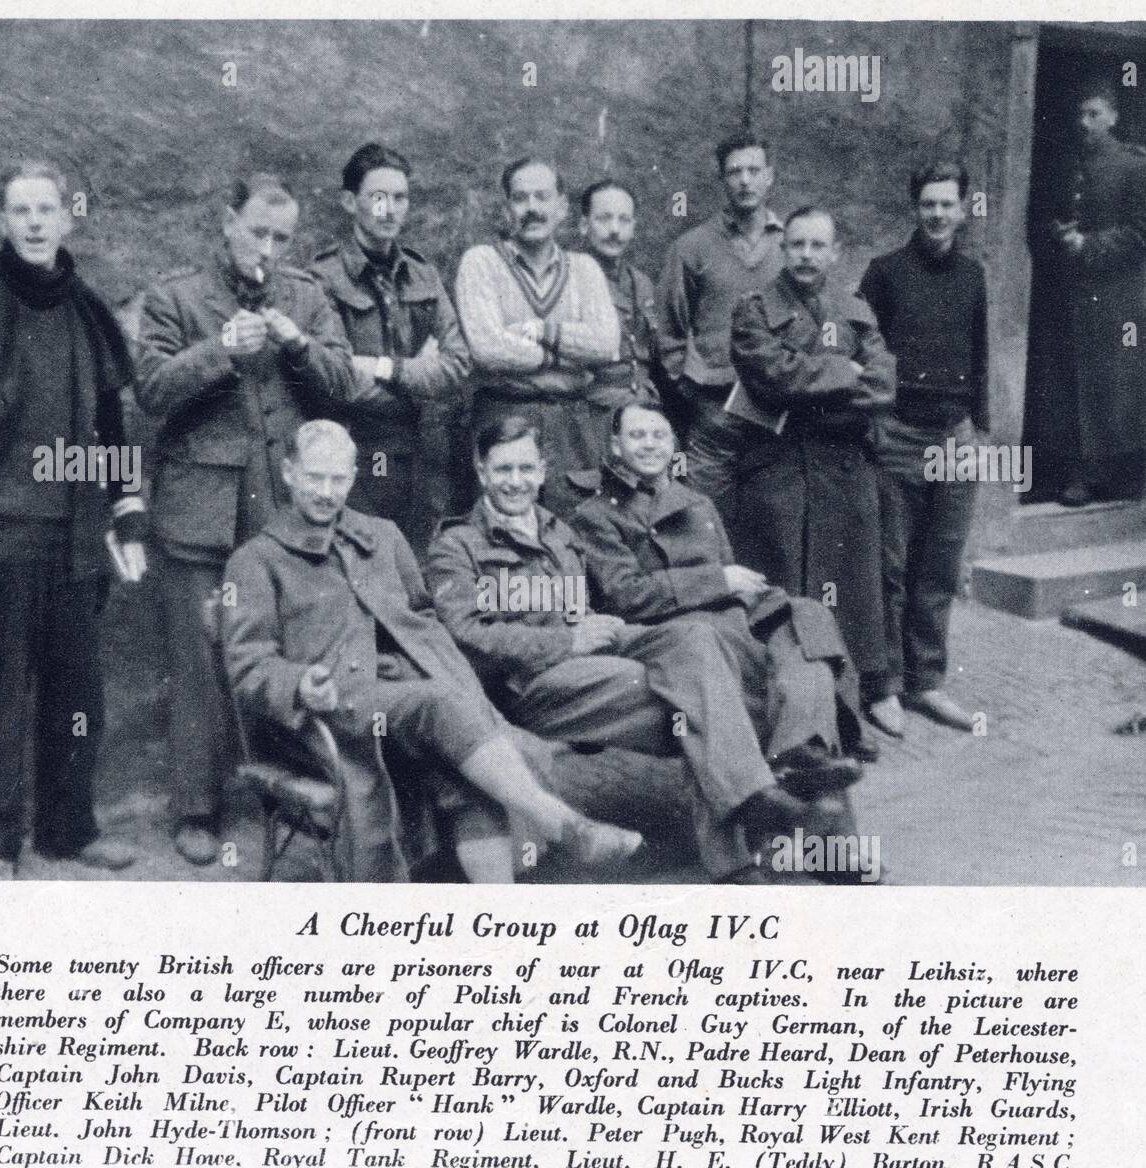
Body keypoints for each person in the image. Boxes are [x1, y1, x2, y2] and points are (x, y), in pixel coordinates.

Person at [425, 414, 844, 883]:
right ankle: (751, 839)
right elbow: (463, 633)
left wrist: (600, 629)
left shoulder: (557, 531)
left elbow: (598, 603)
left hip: (595, 652)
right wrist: (566, 640)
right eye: (503, 470)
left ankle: (756, 807)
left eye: (526, 469)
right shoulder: (456, 545)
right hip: (531, 682)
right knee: (694, 699)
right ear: (481, 472)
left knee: (695, 641)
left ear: (543, 470)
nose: (516, 482)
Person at [221, 420, 642, 883]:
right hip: (327, 711)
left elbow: (422, 615)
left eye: (337, 479)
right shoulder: (255, 561)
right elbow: (248, 666)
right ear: (288, 473)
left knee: (460, 767)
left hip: (402, 696)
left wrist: (428, 666)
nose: (325, 491)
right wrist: (299, 683)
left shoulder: (382, 536)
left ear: (354, 475)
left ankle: (499, 914)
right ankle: (560, 822)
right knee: (438, 704)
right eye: (313, 478)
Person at [0, 159, 148, 879]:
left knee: (79, 694)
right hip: (3, 537)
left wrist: (127, 515)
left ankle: (69, 832)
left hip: (77, 539)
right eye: (21, 211)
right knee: (6, 698)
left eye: (47, 210)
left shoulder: (89, 313)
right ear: (2, 222)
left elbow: (111, 430)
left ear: (66, 217)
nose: (36, 223)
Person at [135, 172, 355, 867]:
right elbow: (150, 392)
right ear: (227, 221)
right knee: (200, 660)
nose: (267, 246)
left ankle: (293, 791)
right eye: (257, 231)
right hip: (197, 514)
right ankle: (196, 809)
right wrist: (218, 351)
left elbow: (346, 384)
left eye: (281, 237)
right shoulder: (174, 296)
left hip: (277, 515)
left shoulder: (306, 297)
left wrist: (299, 346)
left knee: (285, 651)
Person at [570, 401, 866, 794]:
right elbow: (625, 595)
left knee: (808, 617)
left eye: (659, 436)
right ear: (615, 445)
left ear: (674, 444)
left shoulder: (697, 502)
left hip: (728, 614)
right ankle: (806, 752)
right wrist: (717, 581)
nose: (649, 445)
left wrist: (742, 592)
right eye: (637, 435)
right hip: (674, 628)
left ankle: (801, 750)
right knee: (789, 659)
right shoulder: (596, 514)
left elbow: (729, 572)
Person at [728, 206, 896, 703]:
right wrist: (845, 374)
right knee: (789, 595)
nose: (806, 255)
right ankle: (792, 709)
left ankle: (853, 701)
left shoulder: (855, 308)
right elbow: (773, 376)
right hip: (782, 471)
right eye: (797, 245)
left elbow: (884, 380)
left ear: (835, 253)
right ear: (783, 249)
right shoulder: (754, 308)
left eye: (817, 246)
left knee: (852, 588)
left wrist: (818, 391)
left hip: (845, 470)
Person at [859, 161, 988, 735]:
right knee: (889, 566)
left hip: (955, 436)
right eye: (928, 205)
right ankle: (883, 685)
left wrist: (978, 422)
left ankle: (927, 682)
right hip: (899, 435)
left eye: (948, 204)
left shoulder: (972, 275)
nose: (938, 214)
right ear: (916, 209)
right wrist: (873, 422)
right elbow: (861, 349)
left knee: (938, 567)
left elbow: (981, 349)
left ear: (963, 209)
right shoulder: (884, 273)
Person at [311, 143, 471, 546]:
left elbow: (456, 365)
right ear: (350, 201)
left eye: (400, 198)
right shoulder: (322, 279)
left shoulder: (423, 276)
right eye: (378, 198)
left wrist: (385, 369)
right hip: (361, 453)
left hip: (427, 455)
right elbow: (338, 380)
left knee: (422, 567)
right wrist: (419, 381)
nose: (390, 210)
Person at [454, 157, 619, 517]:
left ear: (561, 208)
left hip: (574, 424)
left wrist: (544, 332)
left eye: (542, 197)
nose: (531, 209)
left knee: (578, 531)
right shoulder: (481, 262)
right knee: (501, 535)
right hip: (502, 416)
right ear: (505, 207)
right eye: (520, 198)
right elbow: (488, 349)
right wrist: (565, 356)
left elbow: (607, 344)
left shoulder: (585, 269)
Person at [657, 132, 784, 557]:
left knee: (771, 529)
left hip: (778, 412)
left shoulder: (791, 246)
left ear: (770, 177)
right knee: (705, 530)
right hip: (713, 413)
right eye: (734, 172)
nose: (745, 181)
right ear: (722, 181)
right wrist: (691, 389)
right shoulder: (692, 247)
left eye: (753, 171)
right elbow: (669, 329)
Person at [1040, 82, 1146, 505]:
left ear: (1113, 117)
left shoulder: (1135, 164)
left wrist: (1087, 245)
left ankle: (1111, 477)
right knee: (1071, 384)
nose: (1083, 123)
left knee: (1115, 386)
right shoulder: (1071, 163)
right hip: (1075, 294)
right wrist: (1061, 235)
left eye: (1093, 114)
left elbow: (1145, 232)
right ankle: (1077, 471)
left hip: (1119, 297)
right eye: (1080, 115)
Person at [576, 178, 677, 431]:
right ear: (583, 225)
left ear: (633, 228)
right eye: (604, 219)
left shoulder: (641, 283)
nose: (614, 230)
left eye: (624, 220)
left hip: (643, 409)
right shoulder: (569, 279)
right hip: (591, 414)